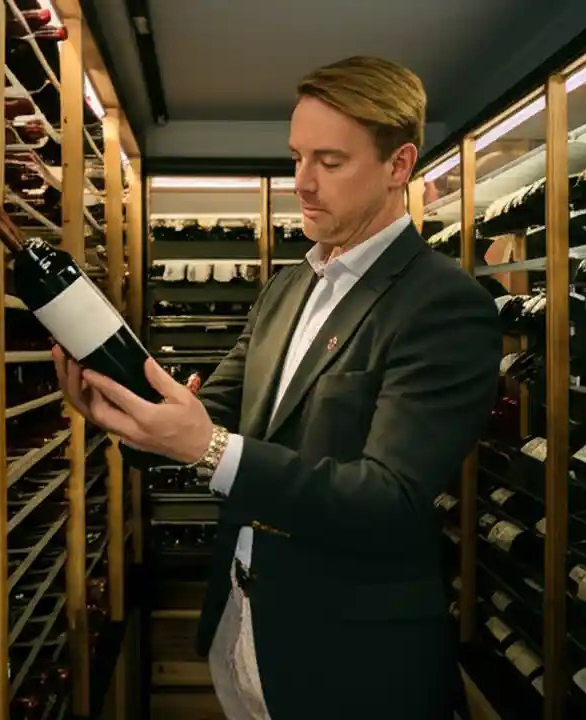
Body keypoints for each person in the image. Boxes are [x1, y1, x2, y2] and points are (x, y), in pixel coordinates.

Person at [52, 55, 501, 719]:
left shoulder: (443, 303)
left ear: (399, 165)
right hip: (243, 628)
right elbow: (206, 416)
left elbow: (387, 500)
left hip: (355, 665)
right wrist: (125, 414)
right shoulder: (287, 288)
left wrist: (209, 449)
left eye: (331, 161)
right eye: (297, 157)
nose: (303, 183)